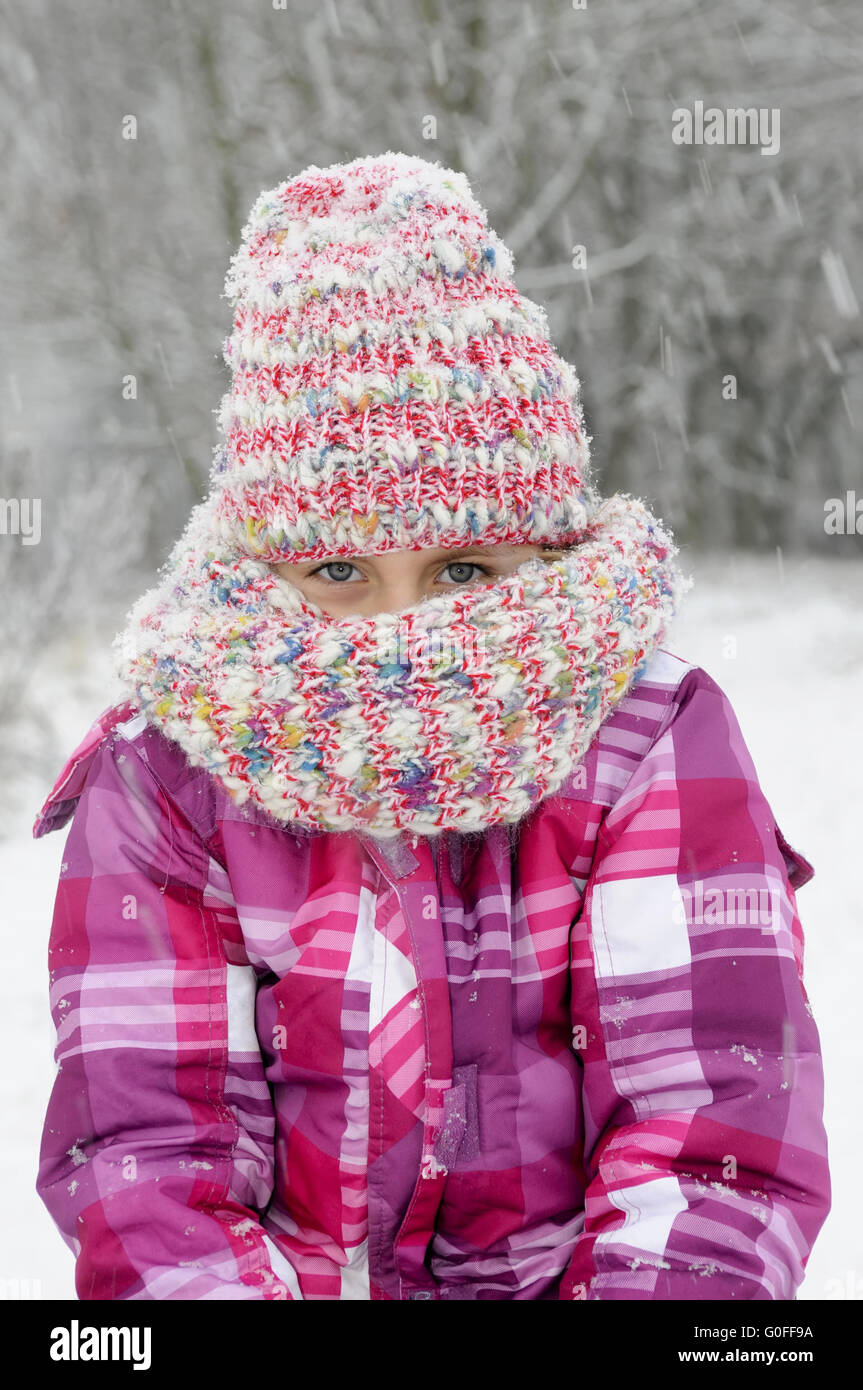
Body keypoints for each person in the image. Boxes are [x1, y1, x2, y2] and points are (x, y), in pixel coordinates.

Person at [32, 151, 830, 1301]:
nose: (405, 630)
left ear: (541, 549)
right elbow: (151, 1158)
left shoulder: (643, 738)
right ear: (266, 569)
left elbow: (711, 1134)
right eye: (342, 569)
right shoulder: (171, 774)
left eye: (462, 566)